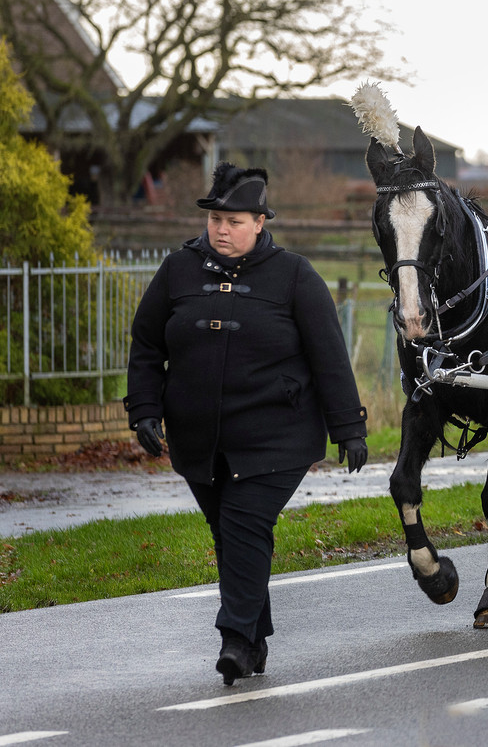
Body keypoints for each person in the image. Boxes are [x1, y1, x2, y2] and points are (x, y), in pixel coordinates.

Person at [124, 163, 368, 686]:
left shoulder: (295, 275)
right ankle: (255, 636)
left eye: (234, 221)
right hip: (198, 437)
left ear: (260, 222)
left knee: (244, 525)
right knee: (229, 532)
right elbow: (147, 344)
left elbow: (329, 356)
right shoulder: (178, 270)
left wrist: (349, 428)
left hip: (276, 437)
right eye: (215, 220)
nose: (221, 230)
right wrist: (143, 409)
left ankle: (234, 639)